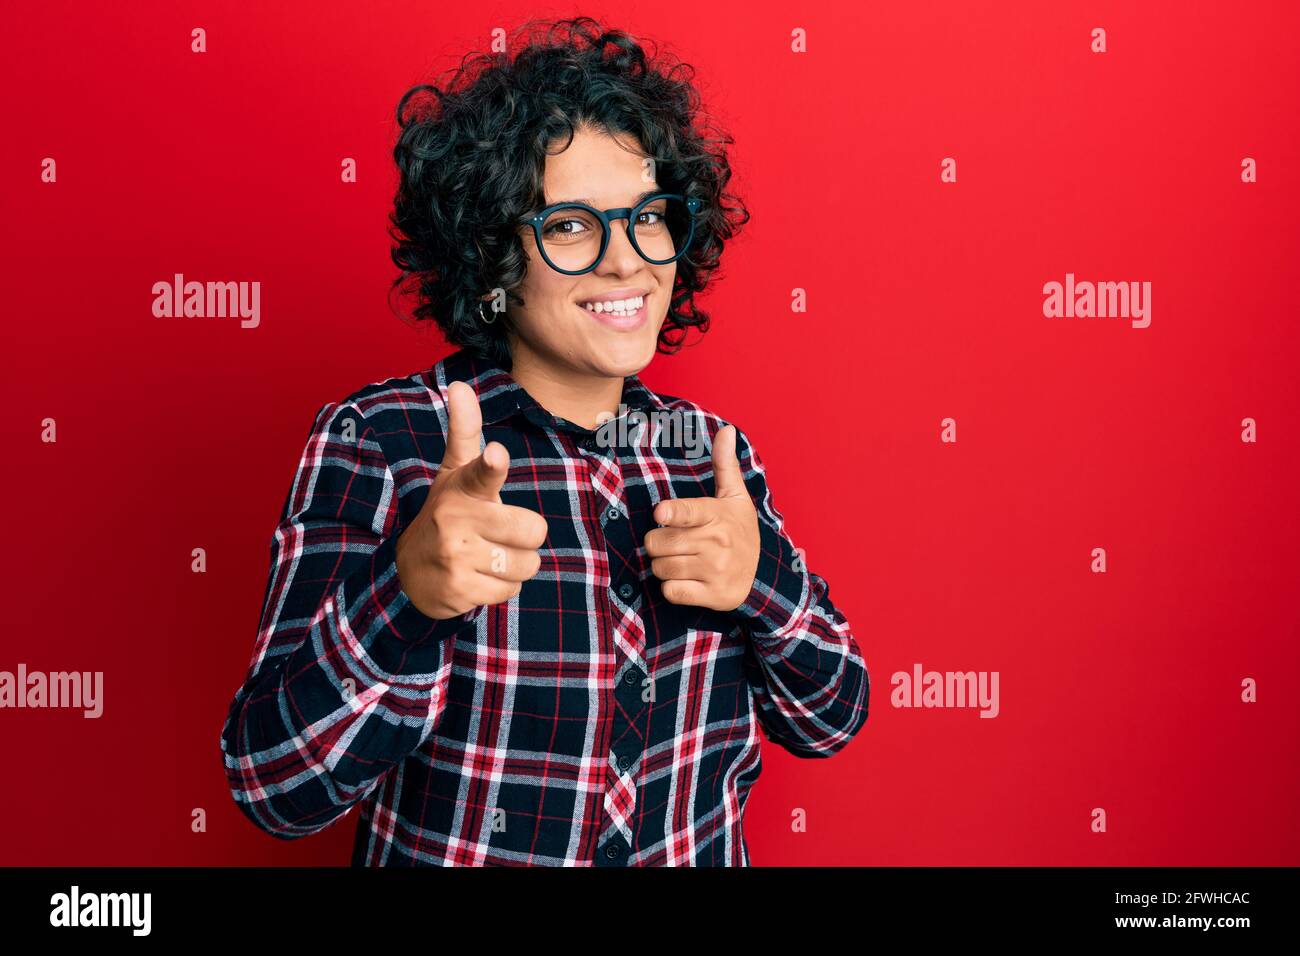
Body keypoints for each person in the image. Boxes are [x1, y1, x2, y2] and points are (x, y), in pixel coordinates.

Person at [219, 15, 868, 866]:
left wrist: (762, 584)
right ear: (492, 261)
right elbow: (274, 788)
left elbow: (832, 718)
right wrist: (404, 598)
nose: (626, 262)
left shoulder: (709, 454)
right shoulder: (382, 440)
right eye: (569, 226)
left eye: (649, 217)